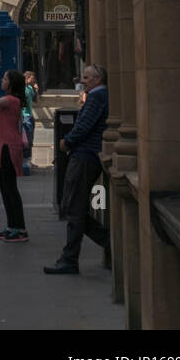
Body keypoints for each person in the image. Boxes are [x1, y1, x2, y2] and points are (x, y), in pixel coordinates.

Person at [44, 64, 110, 275]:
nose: (83, 80)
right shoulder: (97, 96)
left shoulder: (97, 97)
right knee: (75, 208)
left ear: (98, 79)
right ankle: (108, 244)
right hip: (86, 155)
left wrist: (67, 142)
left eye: (87, 77)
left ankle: (71, 258)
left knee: (73, 207)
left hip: (84, 156)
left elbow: (84, 125)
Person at [0, 68, 28, 242]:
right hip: (4, 147)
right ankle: (12, 226)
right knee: (4, 187)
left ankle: (20, 228)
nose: (1, 81)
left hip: (9, 147)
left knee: (10, 188)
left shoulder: (11, 100)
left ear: (11, 83)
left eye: (4, 79)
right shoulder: (9, 100)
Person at [23, 71, 40, 164]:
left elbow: (36, 101)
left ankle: (29, 159)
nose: (34, 80)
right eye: (32, 78)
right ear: (27, 78)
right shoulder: (22, 88)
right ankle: (26, 159)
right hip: (25, 116)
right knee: (27, 140)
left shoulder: (30, 88)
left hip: (30, 115)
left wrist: (36, 90)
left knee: (30, 139)